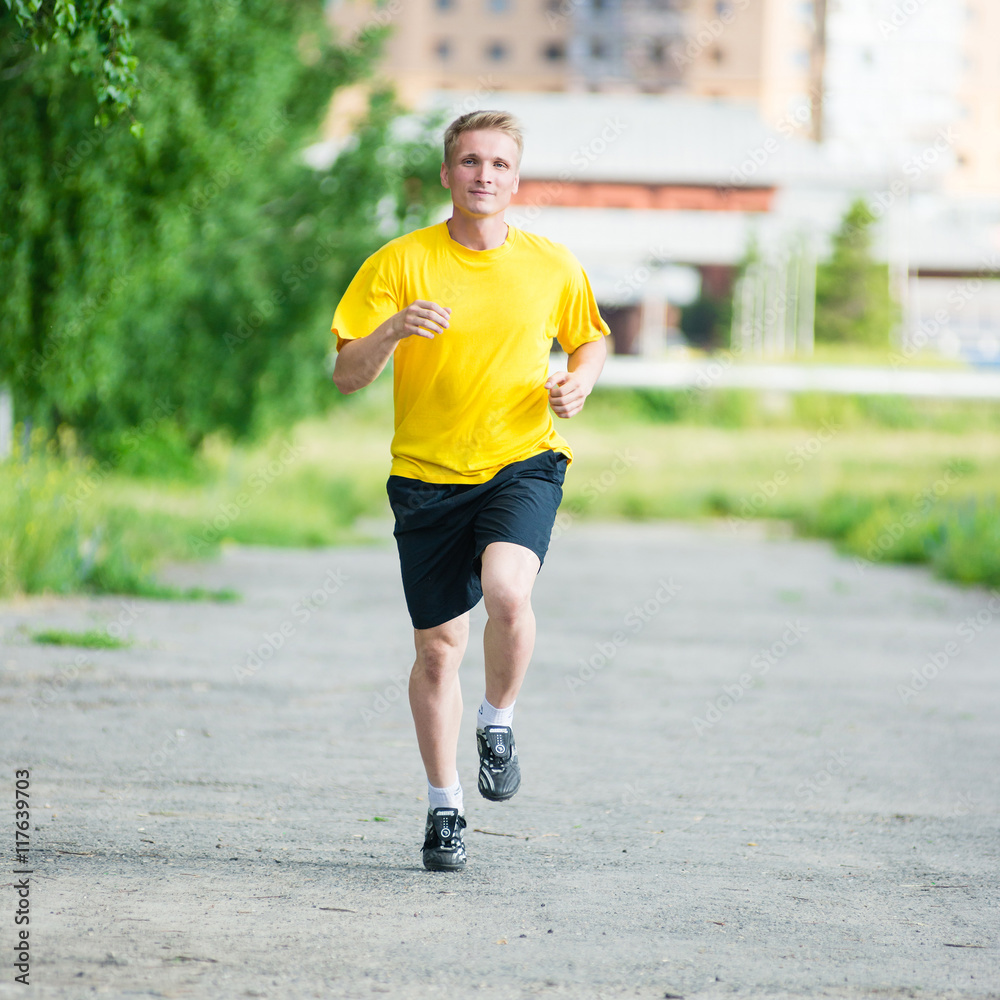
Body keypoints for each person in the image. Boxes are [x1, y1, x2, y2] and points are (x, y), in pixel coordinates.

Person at [330, 110, 608, 872]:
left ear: (516, 179)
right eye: (471, 161)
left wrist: (578, 380)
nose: (486, 175)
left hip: (523, 459)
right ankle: (444, 808)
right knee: (436, 654)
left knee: (508, 592)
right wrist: (390, 332)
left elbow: (591, 336)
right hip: (425, 478)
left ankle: (498, 721)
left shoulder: (551, 263)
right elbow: (346, 376)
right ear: (447, 174)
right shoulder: (399, 263)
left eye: (500, 164)